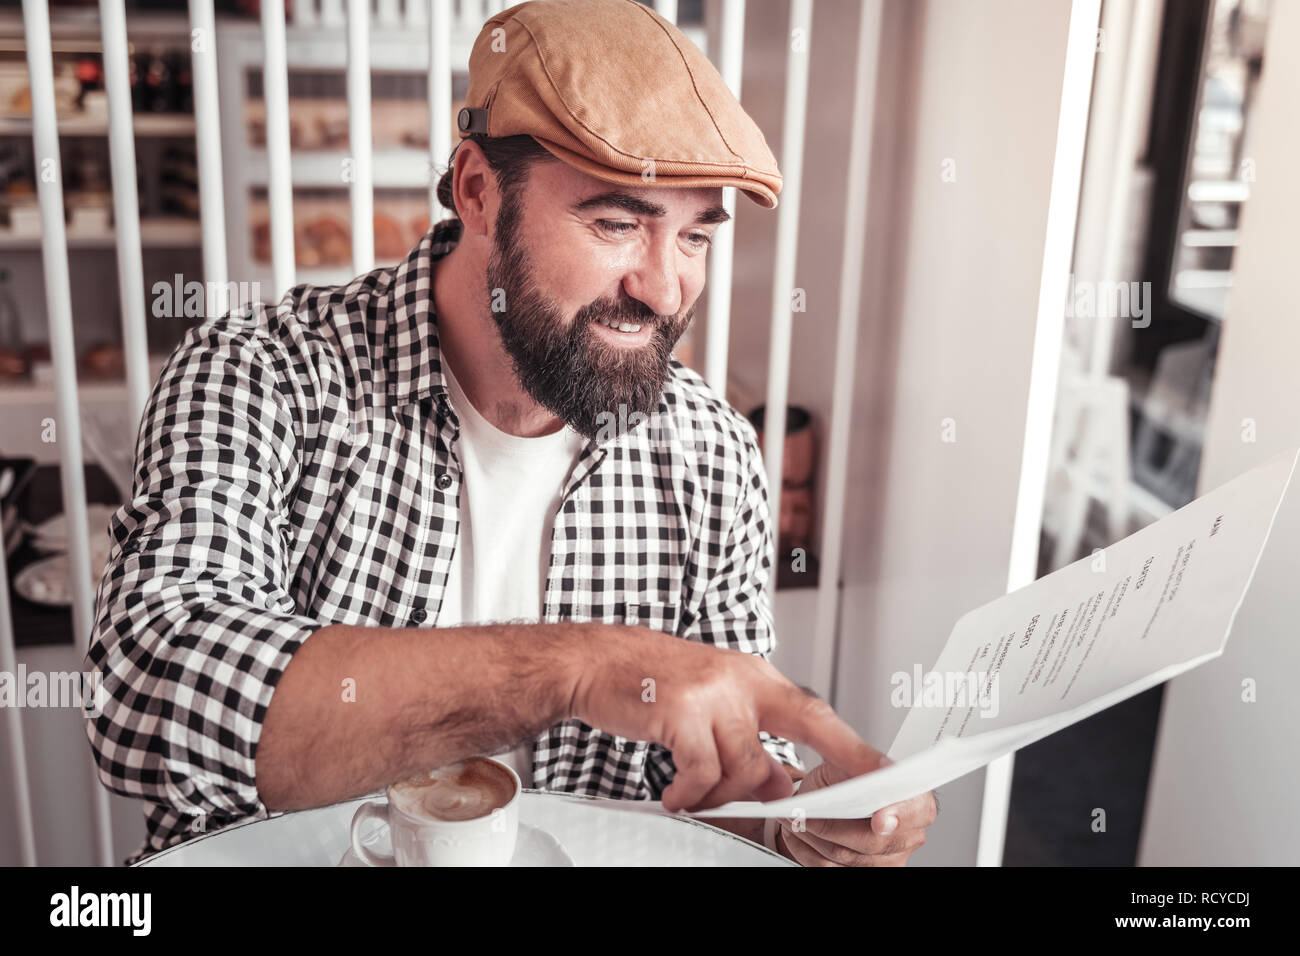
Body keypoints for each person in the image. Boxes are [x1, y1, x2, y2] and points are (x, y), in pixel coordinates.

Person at [85, 0, 935, 866]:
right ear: (478, 191)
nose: (666, 289)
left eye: (694, 237)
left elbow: (721, 789)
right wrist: (577, 669)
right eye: (617, 224)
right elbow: (149, 692)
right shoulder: (261, 373)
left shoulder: (711, 452)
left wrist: (799, 821)